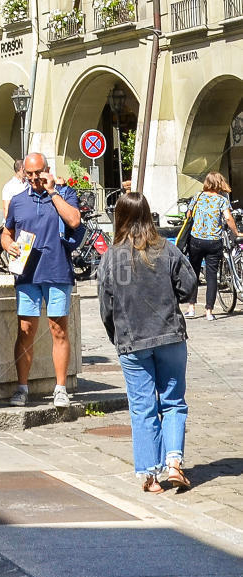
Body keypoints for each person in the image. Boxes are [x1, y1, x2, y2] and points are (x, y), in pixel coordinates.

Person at [99, 191, 197, 492]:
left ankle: (150, 476)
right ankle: (174, 462)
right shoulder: (165, 249)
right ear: (148, 215)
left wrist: (116, 335)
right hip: (169, 335)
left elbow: (106, 305)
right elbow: (189, 284)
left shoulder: (112, 257)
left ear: (120, 218)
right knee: (173, 402)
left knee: (142, 408)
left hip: (132, 340)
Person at [0, 152, 83, 409]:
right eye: (30, 173)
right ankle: (22, 387)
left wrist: (53, 192)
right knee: (26, 330)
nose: (35, 178)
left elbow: (74, 220)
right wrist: (9, 245)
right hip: (27, 273)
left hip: (57, 271)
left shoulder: (65, 194)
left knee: (59, 329)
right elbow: (6, 233)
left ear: (47, 170)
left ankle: (60, 388)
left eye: (39, 172)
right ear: (24, 173)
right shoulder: (17, 201)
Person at [178, 172, 239, 321]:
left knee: (194, 272)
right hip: (214, 241)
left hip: (196, 240)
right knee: (212, 276)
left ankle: (191, 308)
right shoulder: (222, 200)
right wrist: (236, 232)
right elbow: (228, 218)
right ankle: (209, 312)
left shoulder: (198, 196)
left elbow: (188, 215)